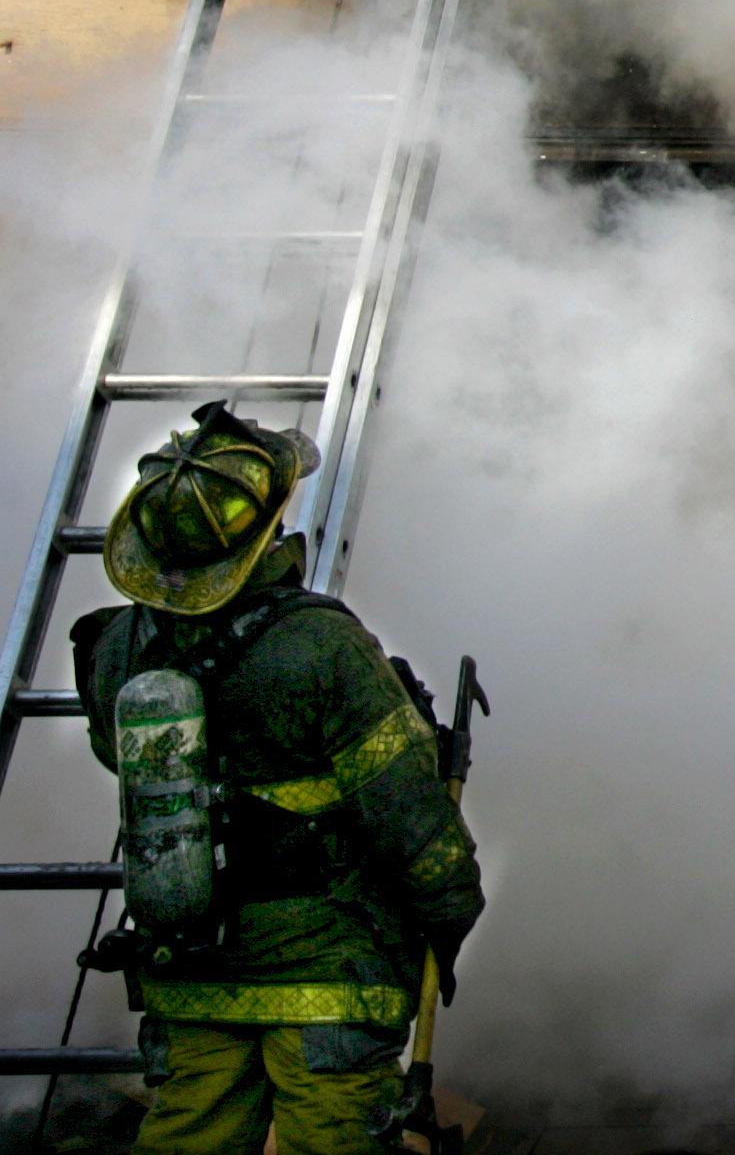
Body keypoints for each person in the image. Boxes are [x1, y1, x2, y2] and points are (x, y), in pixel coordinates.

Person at [68, 404, 483, 1155]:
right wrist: (451, 907)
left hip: (187, 964)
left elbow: (112, 755)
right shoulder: (322, 644)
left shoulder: (114, 645)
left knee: (187, 1138)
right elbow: (407, 816)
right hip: (327, 973)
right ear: (261, 538)